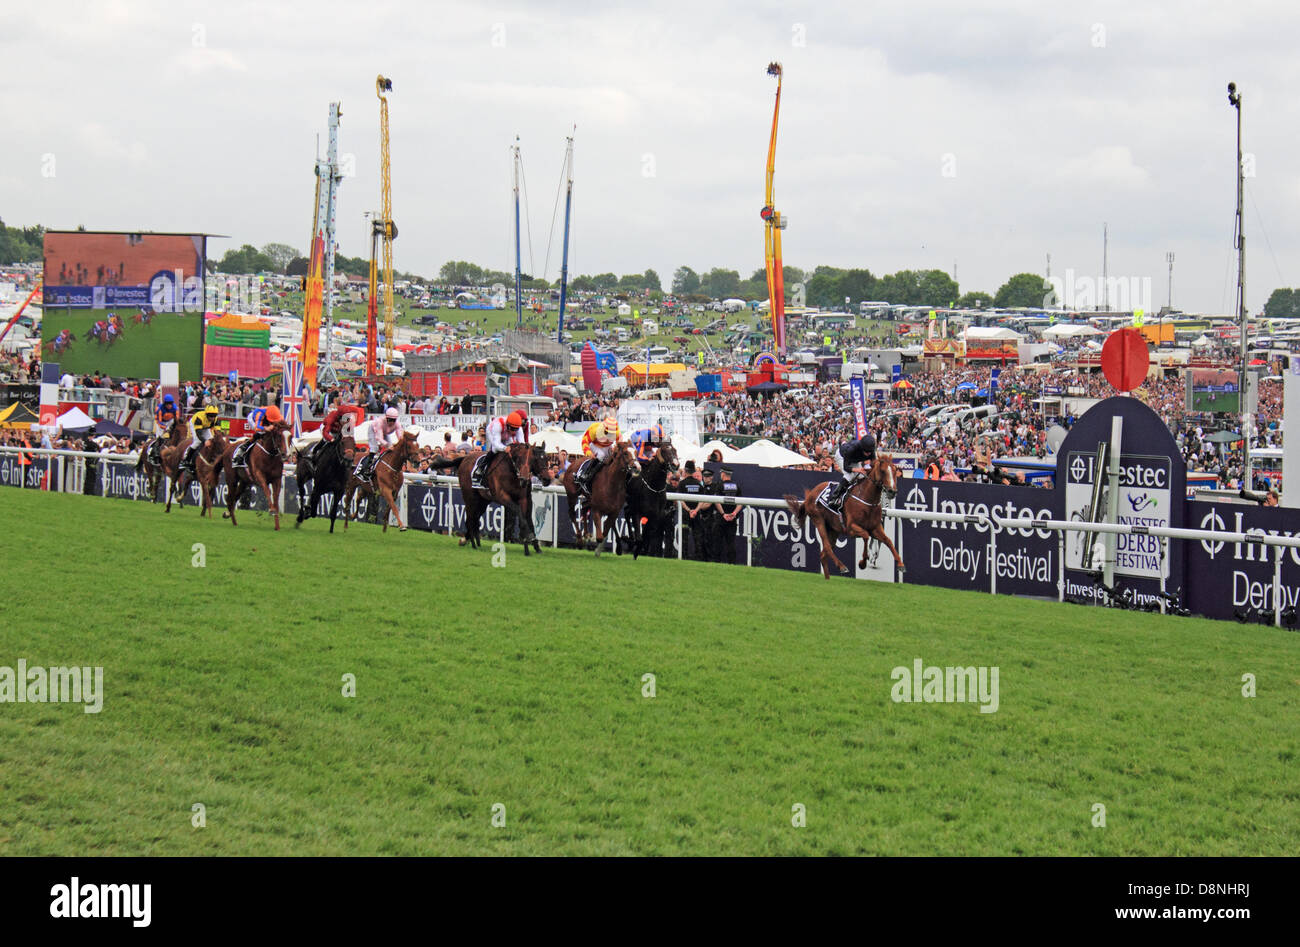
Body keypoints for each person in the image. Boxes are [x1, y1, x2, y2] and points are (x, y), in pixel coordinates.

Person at [826, 432, 876, 507]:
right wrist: (857, 470)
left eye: (870, 452)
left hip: (854, 460)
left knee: (862, 477)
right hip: (842, 456)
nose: (869, 454)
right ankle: (834, 498)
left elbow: (874, 465)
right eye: (866, 452)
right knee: (849, 476)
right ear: (862, 448)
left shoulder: (871, 451)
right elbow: (846, 467)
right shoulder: (852, 449)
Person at [357, 407, 404, 481]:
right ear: (386, 417)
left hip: (385, 432)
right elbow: (379, 438)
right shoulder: (380, 422)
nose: (391, 422)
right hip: (373, 431)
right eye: (390, 420)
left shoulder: (397, 424)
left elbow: (400, 437)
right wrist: (388, 445)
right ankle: (363, 470)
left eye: (393, 420)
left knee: (391, 449)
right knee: (374, 449)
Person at [575, 415, 620, 493]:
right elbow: (585, 442)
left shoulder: (616, 431)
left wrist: (616, 448)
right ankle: (585, 474)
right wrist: (589, 453)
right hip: (595, 445)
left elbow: (619, 444)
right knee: (601, 456)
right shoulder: (594, 429)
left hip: (607, 446)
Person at [481, 410, 528, 481]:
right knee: (495, 449)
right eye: (512, 429)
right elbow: (497, 444)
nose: (514, 431)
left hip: (506, 433)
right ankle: (482, 467)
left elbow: (522, 443)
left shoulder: (518, 427)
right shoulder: (498, 425)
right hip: (492, 431)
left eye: (516, 429)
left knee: (513, 448)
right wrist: (504, 448)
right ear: (508, 425)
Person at [310, 399, 356, 464]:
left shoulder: (347, 419)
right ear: (339, 417)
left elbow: (349, 434)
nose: (346, 421)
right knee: (326, 441)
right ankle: (315, 451)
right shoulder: (331, 418)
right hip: (327, 429)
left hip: (338, 430)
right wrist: (331, 439)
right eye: (345, 419)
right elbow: (325, 432)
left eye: (347, 418)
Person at [181, 404, 221, 475]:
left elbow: (217, 434)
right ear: (206, 414)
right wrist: (205, 441)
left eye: (214, 416)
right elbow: (199, 433)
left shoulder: (216, 420)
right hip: (194, 424)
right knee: (197, 442)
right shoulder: (199, 418)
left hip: (206, 427)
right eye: (210, 416)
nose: (212, 418)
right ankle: (186, 460)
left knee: (211, 440)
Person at [678, 460, 706, 560]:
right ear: (694, 471)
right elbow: (702, 500)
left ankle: (684, 557)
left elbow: (680, 500)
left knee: (684, 536)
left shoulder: (681, 484)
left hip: (686, 514)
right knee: (697, 536)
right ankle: (698, 557)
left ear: (685, 471)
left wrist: (689, 510)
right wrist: (695, 510)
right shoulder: (699, 484)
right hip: (696, 514)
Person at [716, 466, 742, 564]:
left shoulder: (719, 486)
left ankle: (717, 563)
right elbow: (741, 502)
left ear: (723, 474)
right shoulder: (737, 487)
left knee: (718, 543)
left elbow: (716, 501)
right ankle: (732, 563)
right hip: (732, 519)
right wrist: (734, 513)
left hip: (721, 519)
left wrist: (723, 514)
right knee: (731, 543)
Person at [148, 394, 179, 464]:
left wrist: (173, 427)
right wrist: (165, 428)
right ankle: (155, 453)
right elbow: (158, 421)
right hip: (161, 422)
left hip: (170, 421)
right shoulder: (159, 408)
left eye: (170, 403)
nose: (169, 405)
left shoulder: (175, 408)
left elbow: (177, 419)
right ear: (165, 403)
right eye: (167, 404)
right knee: (159, 437)